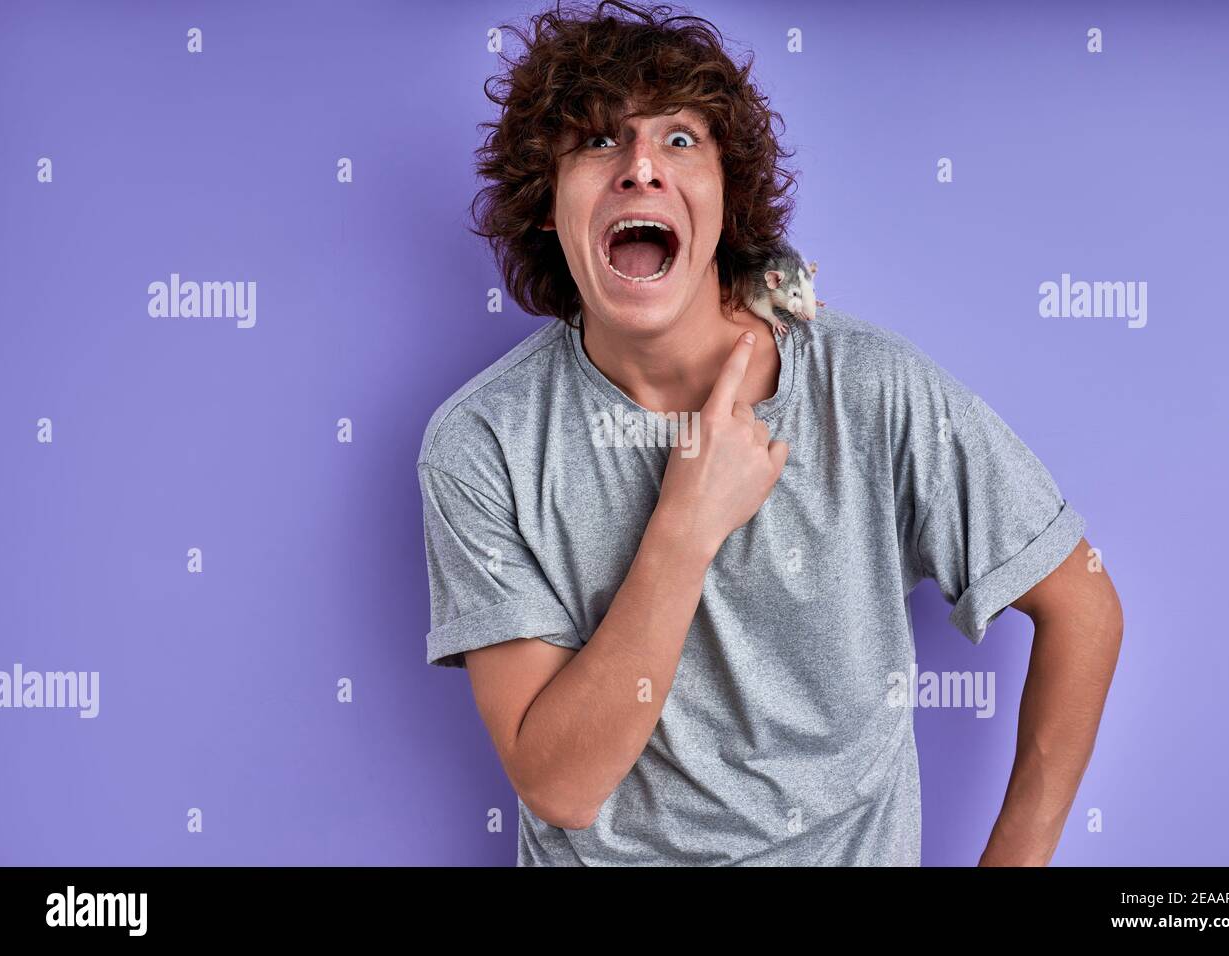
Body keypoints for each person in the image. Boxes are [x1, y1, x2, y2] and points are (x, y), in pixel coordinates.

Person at [416, 0, 1123, 866]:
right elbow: (562, 787)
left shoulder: (869, 387)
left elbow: (1082, 604)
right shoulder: (482, 444)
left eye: (680, 139)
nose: (641, 167)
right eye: (598, 140)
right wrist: (686, 524)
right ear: (548, 207)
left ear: (726, 199)